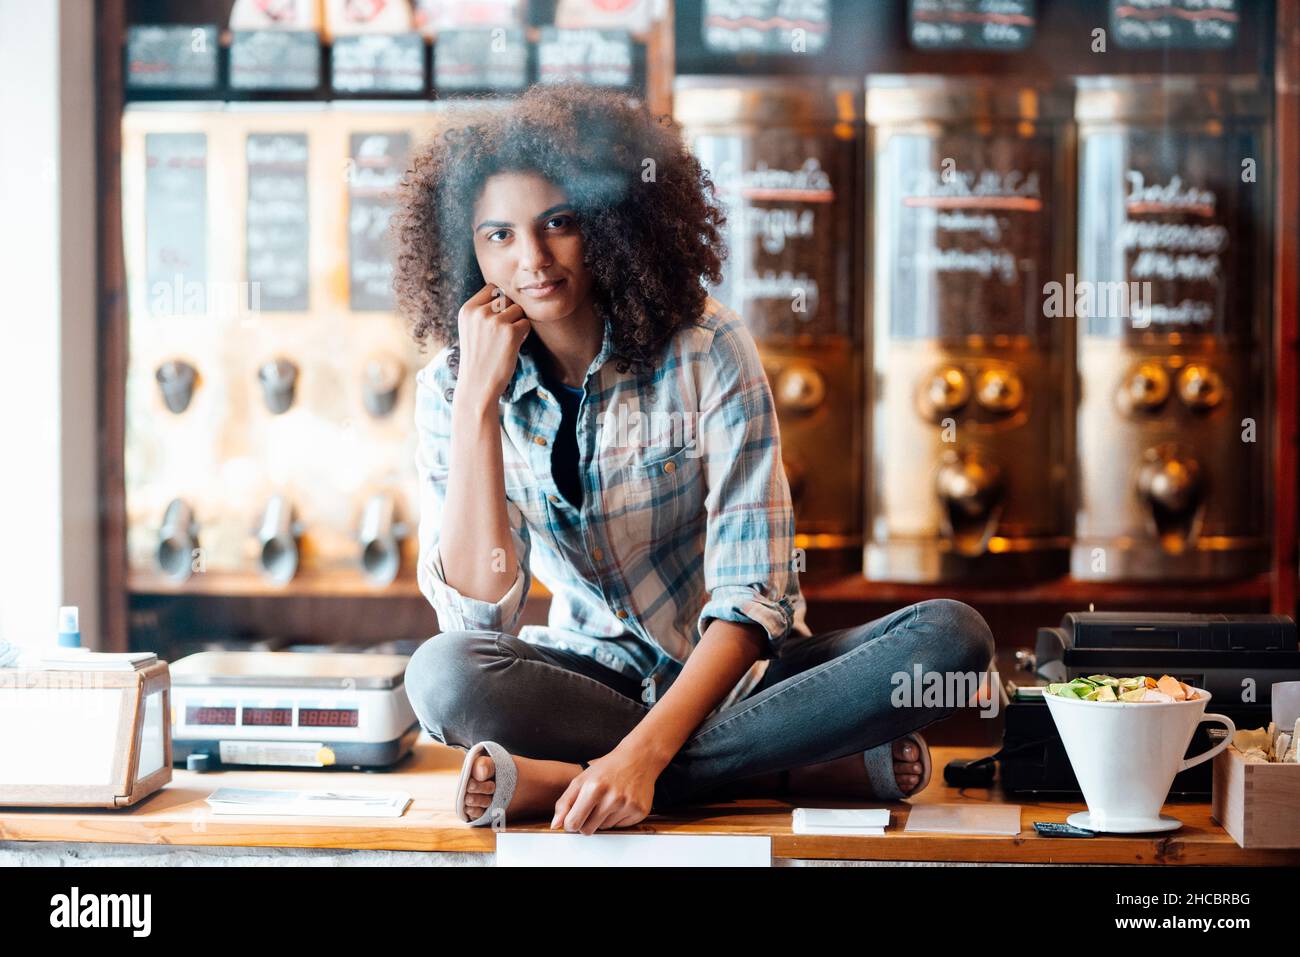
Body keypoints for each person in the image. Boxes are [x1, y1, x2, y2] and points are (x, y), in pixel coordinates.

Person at [392, 82, 995, 835]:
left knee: (952, 640)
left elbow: (754, 599)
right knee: (442, 675)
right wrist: (478, 401)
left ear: (610, 225)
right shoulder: (453, 386)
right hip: (591, 679)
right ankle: (778, 769)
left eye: (560, 223)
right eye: (498, 236)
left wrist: (641, 758)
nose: (533, 259)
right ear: (464, 248)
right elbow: (479, 617)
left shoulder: (706, 347)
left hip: (746, 680)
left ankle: (590, 779)